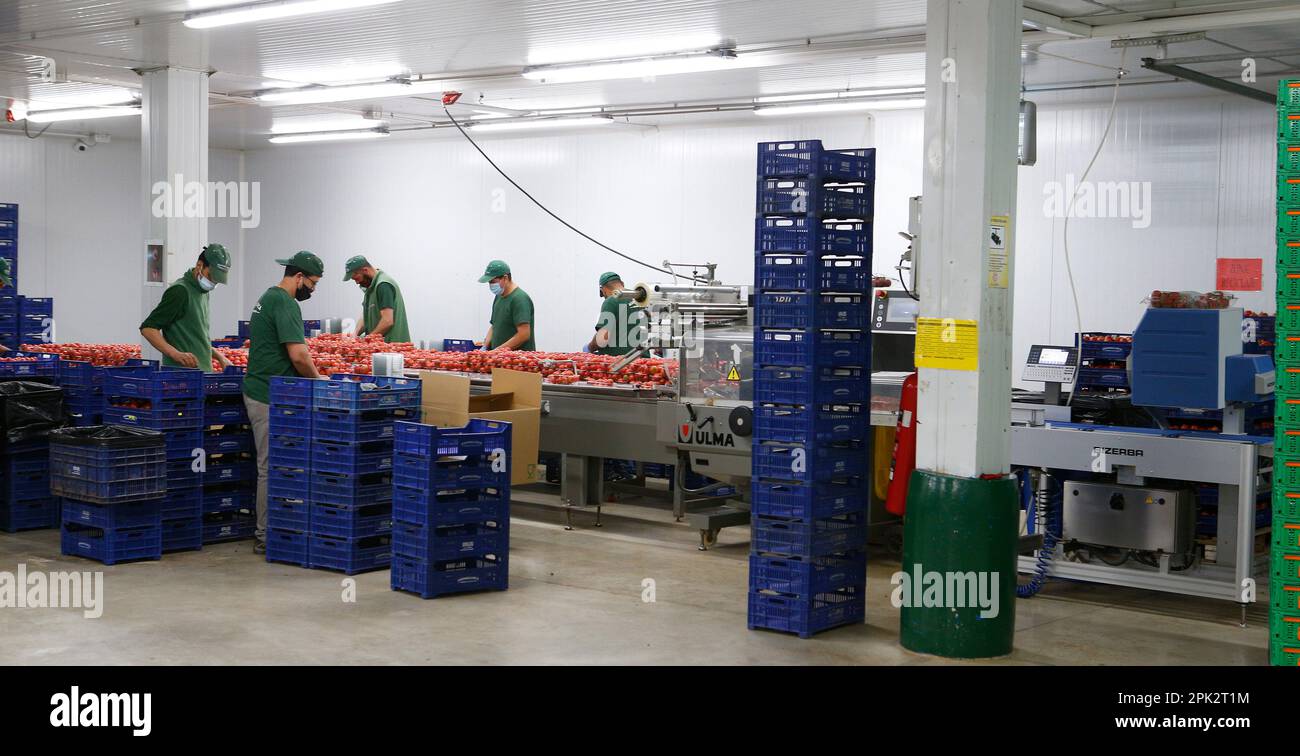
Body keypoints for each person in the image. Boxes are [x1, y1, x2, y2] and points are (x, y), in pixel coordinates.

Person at [243, 251, 324, 554]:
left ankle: (278, 527)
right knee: (270, 466)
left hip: (264, 390)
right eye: (312, 283)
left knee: (275, 464)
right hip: (266, 395)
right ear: (299, 277)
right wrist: (319, 380)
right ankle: (266, 536)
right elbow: (299, 355)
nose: (312, 290)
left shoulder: (268, 296)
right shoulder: (285, 302)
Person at [139, 244, 233, 372]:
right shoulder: (180, 291)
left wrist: (219, 356)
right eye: (211, 277)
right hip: (182, 377)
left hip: (201, 374)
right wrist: (175, 354)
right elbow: (148, 328)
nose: (213, 283)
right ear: (200, 265)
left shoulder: (202, 292)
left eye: (217, 280)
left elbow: (195, 336)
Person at [343, 255, 410, 343]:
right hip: (380, 346)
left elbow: (387, 321)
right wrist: (355, 334)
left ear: (365, 270)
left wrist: (367, 339)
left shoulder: (383, 285)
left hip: (393, 347)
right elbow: (366, 314)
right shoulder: (371, 288)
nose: (357, 282)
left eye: (357, 278)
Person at [478, 259, 536, 351]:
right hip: (499, 359)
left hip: (517, 361)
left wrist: (499, 350)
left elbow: (524, 334)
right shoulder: (499, 297)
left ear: (505, 278)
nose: (491, 285)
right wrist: (485, 346)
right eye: (489, 282)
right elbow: (494, 326)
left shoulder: (519, 299)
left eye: (493, 281)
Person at [587, 272, 647, 356]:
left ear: (603, 290)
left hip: (620, 363)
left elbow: (602, 339)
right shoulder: (642, 300)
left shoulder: (611, 301)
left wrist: (589, 347)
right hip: (644, 362)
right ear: (622, 283)